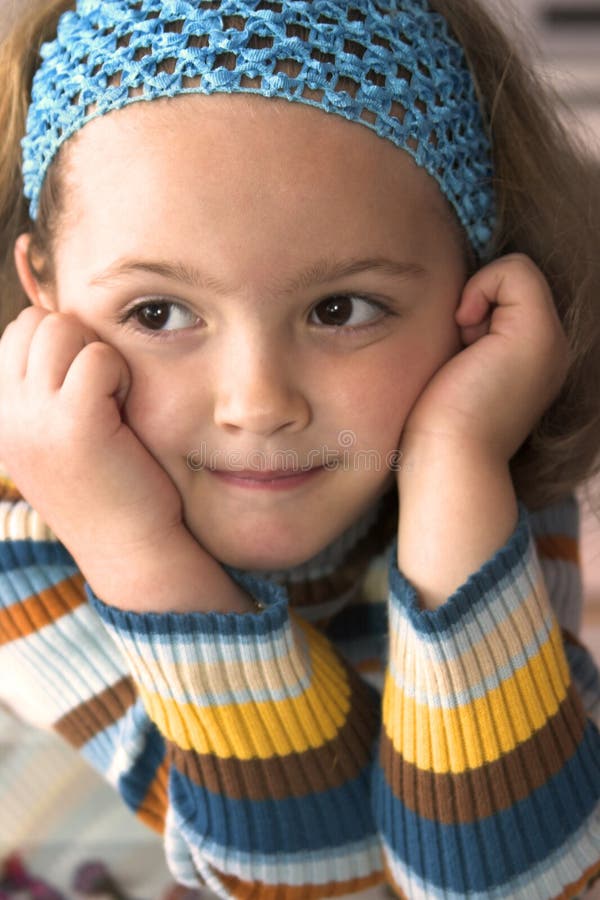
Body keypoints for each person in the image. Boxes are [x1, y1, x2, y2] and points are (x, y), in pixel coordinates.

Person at [0, 0, 599, 897]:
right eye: (158, 313)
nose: (258, 405)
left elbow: (516, 882)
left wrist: (453, 467)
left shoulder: (467, 450)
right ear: (42, 289)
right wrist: (137, 550)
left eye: (340, 309)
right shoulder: (30, 535)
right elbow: (326, 885)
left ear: (470, 288)